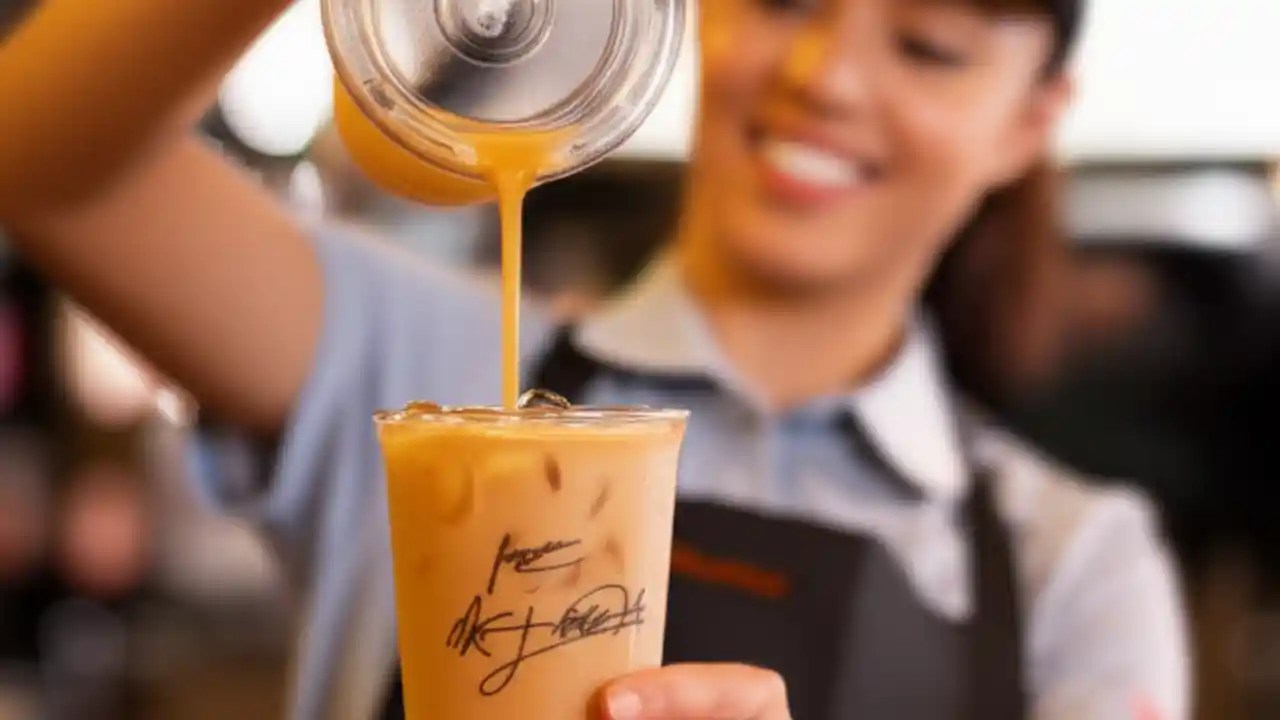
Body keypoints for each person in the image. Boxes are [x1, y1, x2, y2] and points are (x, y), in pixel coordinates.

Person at [0, 0, 1189, 717]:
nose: (822, 76)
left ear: (1031, 121)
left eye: (927, 45)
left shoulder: (1068, 560)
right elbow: (45, 164)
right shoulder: (421, 359)